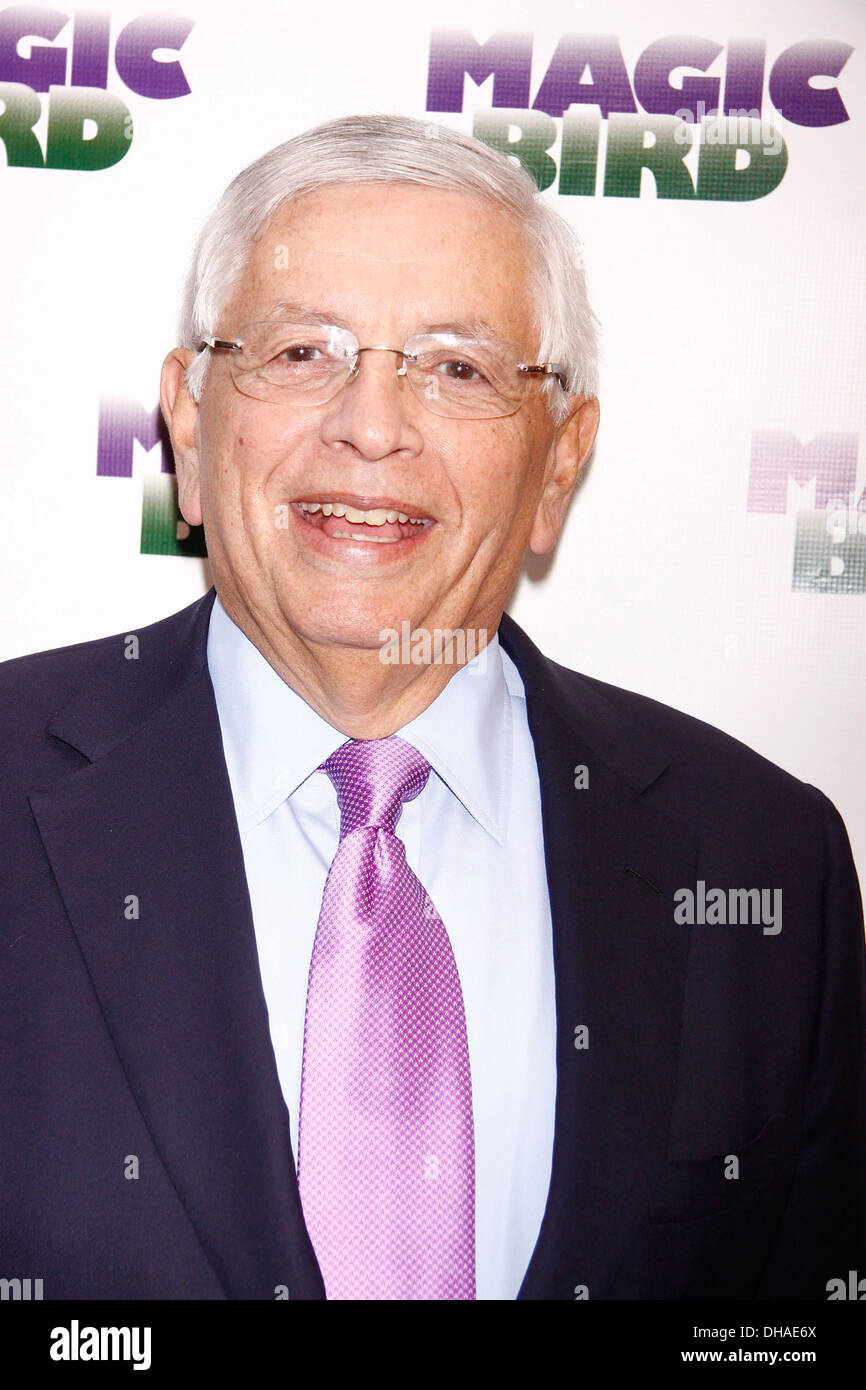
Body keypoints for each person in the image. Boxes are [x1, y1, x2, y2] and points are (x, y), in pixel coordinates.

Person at [0, 114, 863, 1302]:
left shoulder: (766, 860)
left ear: (558, 461)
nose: (371, 426)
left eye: (456, 367)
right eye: (303, 351)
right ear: (190, 428)